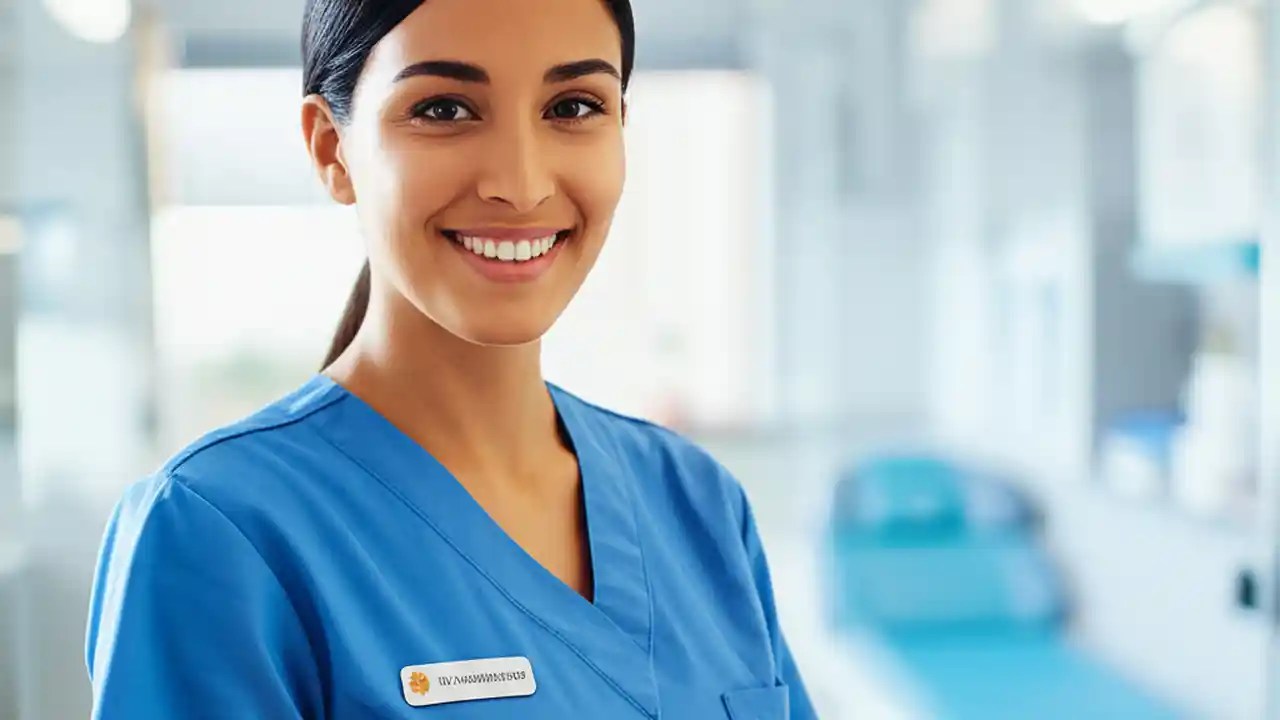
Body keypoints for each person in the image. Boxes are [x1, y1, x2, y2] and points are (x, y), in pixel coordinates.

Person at [84, 0, 817, 717]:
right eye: (443, 110)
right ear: (330, 148)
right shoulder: (218, 533)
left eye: (572, 108)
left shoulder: (697, 506)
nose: (521, 184)